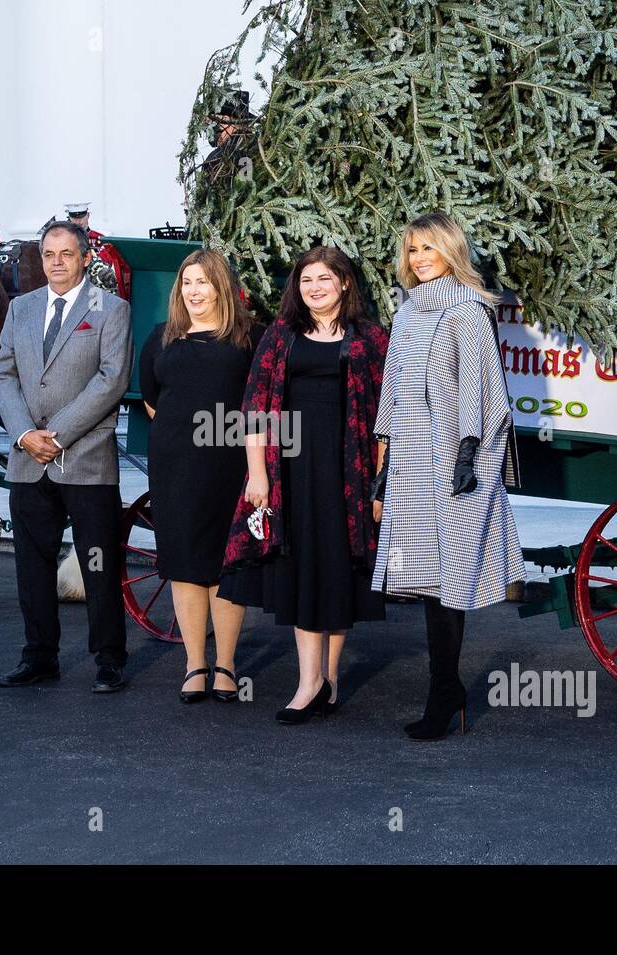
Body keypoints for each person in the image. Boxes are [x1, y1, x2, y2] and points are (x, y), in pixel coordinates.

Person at [372, 211, 525, 741]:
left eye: (428, 249)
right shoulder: (409, 309)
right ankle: (447, 689)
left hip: (456, 459)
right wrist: (386, 459)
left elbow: (483, 390)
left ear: (450, 253)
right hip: (412, 460)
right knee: (430, 579)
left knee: (451, 578)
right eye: (412, 250)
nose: (418, 260)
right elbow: (392, 387)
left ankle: (444, 693)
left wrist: (466, 456)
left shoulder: (467, 310)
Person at [219, 246, 388, 724]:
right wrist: (257, 473)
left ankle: (327, 682)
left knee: (337, 569)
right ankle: (307, 681)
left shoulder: (371, 338)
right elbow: (253, 407)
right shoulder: (281, 335)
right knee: (301, 568)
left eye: (324, 279)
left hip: (348, 471)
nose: (314, 288)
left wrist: (380, 481)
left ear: (345, 284)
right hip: (290, 469)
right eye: (306, 280)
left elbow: (388, 417)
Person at [0, 221, 133, 692]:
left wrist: (59, 434)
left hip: (86, 457)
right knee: (31, 565)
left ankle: (109, 659)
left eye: (66, 254)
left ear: (84, 257)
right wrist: (24, 433)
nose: (56, 262)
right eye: (49, 254)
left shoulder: (109, 309)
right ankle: (39, 657)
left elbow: (111, 379)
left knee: (98, 562)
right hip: (27, 458)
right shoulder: (21, 309)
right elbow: (4, 374)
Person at [139, 250, 262, 704]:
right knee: (185, 566)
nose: (194, 291)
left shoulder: (249, 339)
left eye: (204, 282)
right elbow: (152, 400)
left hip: (229, 464)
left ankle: (226, 665)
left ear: (222, 288)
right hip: (175, 466)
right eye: (187, 283)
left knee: (224, 563)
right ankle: (194, 664)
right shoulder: (161, 338)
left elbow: (261, 407)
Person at [65, 202, 131, 301]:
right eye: (74, 217)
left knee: (97, 309)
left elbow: (108, 260)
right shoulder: (63, 240)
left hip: (94, 287)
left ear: (88, 215)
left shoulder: (99, 238)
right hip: (70, 284)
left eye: (82, 216)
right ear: (69, 217)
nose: (78, 221)